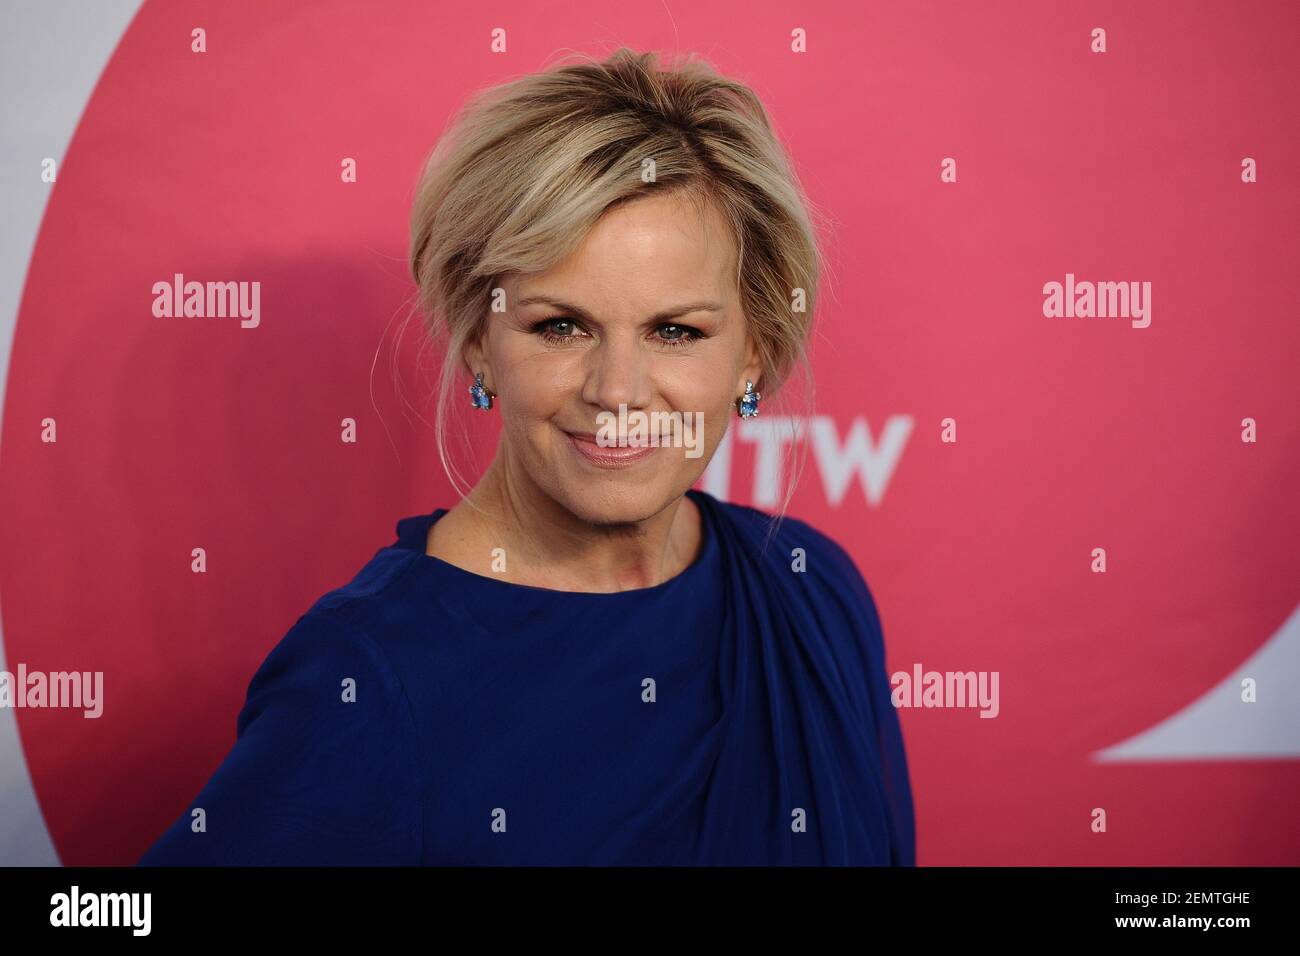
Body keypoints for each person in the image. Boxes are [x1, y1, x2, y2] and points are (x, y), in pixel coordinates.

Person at [139, 47, 915, 866]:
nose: (618, 390)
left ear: (753, 352)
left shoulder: (810, 588)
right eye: (560, 326)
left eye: (675, 331)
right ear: (479, 340)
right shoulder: (367, 676)